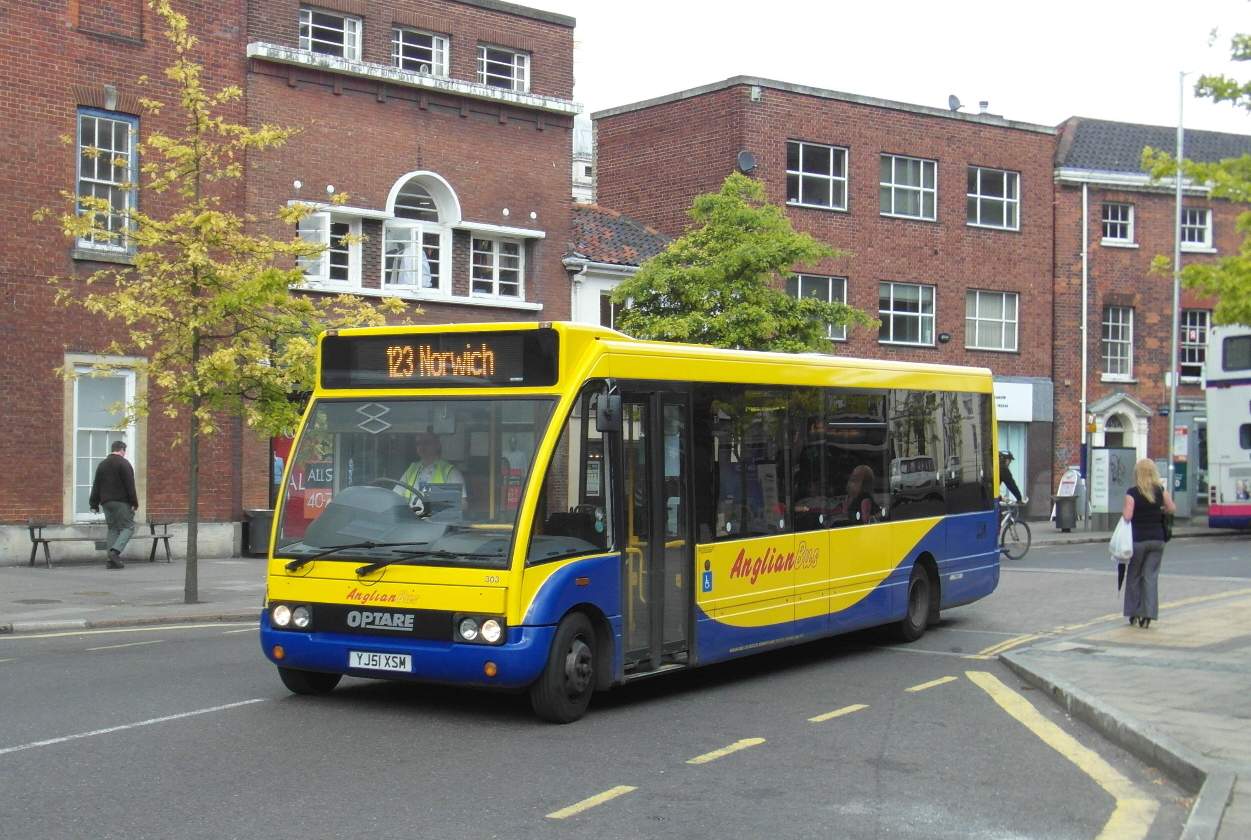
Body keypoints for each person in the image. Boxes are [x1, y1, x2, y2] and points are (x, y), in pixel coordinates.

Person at [1121, 458, 1176, 629]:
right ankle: (1148, 615)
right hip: (1157, 539)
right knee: (1150, 577)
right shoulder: (1161, 491)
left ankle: (1134, 612)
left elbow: (1128, 516)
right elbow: (1172, 508)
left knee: (1134, 576)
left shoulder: (1132, 493)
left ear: (1137, 473)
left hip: (1138, 540)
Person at [89, 440, 138, 570]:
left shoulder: (102, 464)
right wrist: (134, 502)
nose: (125, 453)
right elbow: (130, 485)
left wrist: (94, 504)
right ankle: (115, 552)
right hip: (121, 502)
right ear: (122, 450)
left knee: (113, 529)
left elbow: (96, 485)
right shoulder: (124, 463)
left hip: (106, 502)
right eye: (124, 451)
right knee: (128, 527)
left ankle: (110, 561)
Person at [396, 432, 466, 506]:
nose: (421, 447)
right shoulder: (412, 469)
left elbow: (463, 504)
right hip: (407, 516)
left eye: (426, 443)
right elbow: (396, 495)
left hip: (436, 517)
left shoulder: (450, 471)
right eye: (418, 443)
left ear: (437, 445)